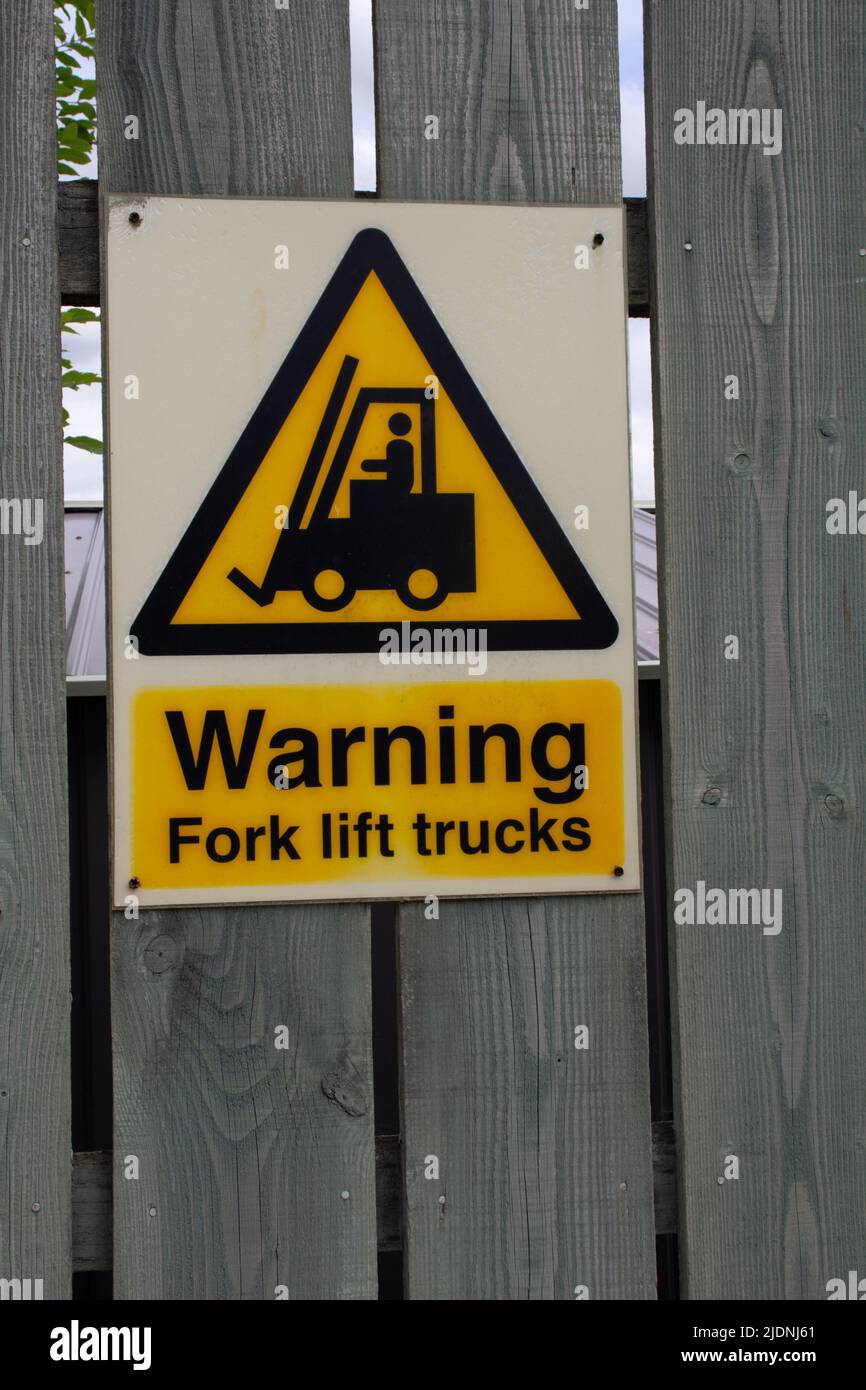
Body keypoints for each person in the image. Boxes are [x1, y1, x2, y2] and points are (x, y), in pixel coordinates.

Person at [360, 412, 414, 492]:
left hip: (397, 488)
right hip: (397, 487)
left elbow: (396, 467)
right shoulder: (404, 445)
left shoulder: (396, 446)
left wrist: (367, 465)